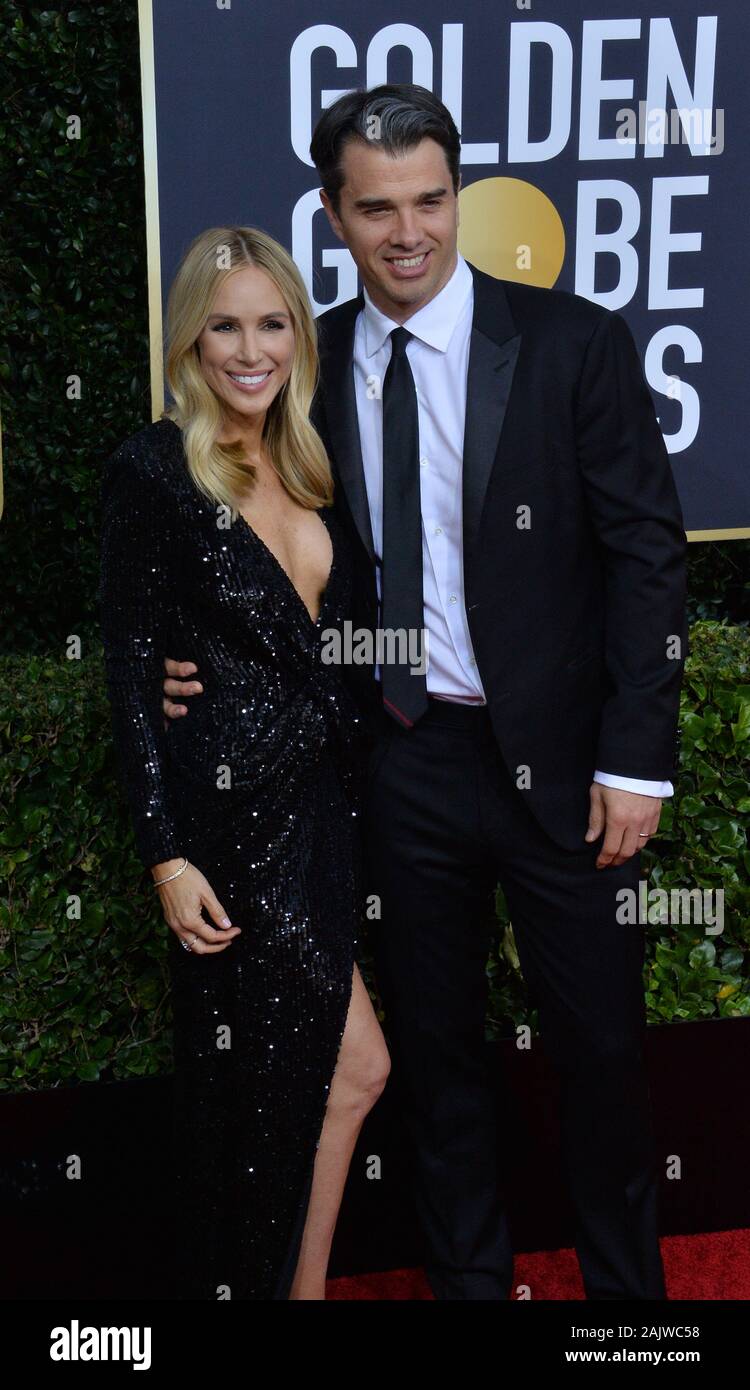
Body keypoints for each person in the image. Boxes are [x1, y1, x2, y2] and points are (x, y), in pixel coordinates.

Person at [161, 85, 689, 1300]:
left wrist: (635, 758)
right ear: (334, 215)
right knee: (441, 1058)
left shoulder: (571, 344)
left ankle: (632, 1315)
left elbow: (648, 554)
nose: (410, 231)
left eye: (433, 200)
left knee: (602, 1053)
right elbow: (226, 544)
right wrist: (178, 663)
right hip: (399, 758)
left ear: (458, 196)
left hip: (566, 766)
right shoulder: (311, 362)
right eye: (377, 207)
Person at [98, 225, 390, 1301]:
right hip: (231, 835)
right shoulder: (154, 470)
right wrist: (165, 856)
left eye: (272, 323)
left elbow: (334, 648)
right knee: (277, 1091)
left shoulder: (313, 458)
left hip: (319, 813)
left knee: (326, 1076)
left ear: (298, 337)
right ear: (191, 337)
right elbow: (129, 674)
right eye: (225, 324)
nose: (250, 348)